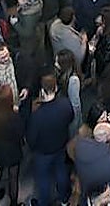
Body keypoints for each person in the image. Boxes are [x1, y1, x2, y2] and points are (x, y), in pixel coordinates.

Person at [27, 74, 74, 206]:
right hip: (61, 145)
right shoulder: (65, 103)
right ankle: (64, 199)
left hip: (43, 152)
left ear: (42, 91)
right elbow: (71, 118)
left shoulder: (37, 115)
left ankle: (44, 203)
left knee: (43, 179)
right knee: (61, 171)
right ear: (56, 88)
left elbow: (31, 138)